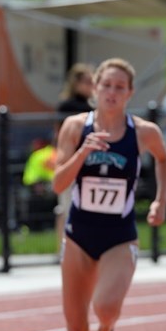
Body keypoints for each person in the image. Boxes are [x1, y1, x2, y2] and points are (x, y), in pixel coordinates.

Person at [52, 57, 166, 331]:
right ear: (95, 89)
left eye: (120, 87)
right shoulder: (75, 127)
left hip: (119, 236)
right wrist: (84, 152)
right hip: (78, 236)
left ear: (130, 93)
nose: (112, 92)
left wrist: (160, 200)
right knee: (75, 329)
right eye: (107, 85)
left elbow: (164, 161)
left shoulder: (144, 132)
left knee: (104, 307)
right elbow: (58, 183)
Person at [53, 63, 96, 249]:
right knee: (65, 207)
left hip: (91, 163)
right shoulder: (67, 106)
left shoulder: (94, 106)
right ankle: (62, 248)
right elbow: (60, 135)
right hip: (71, 163)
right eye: (87, 81)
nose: (91, 85)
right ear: (76, 83)